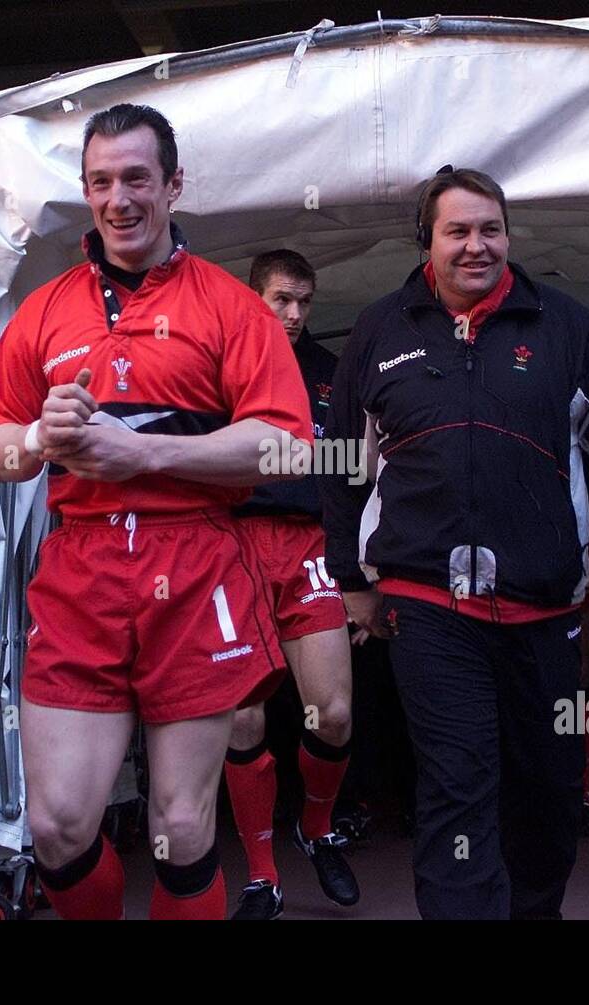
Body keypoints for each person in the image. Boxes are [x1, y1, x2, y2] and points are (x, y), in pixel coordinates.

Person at [320, 167, 589, 919]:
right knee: (459, 783)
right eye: (457, 231)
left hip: (544, 611)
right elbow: (340, 467)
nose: (476, 246)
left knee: (548, 797)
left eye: (490, 229)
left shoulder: (563, 325)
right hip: (429, 605)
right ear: (426, 240)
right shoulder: (381, 330)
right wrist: (349, 580)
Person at [0, 104, 312, 920]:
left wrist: (149, 455)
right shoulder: (47, 310)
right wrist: (38, 437)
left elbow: (287, 448)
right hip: (81, 568)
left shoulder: (233, 308)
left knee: (182, 825)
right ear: (86, 192)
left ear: (172, 185)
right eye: (101, 182)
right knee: (56, 827)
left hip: (194, 567)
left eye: (136, 179)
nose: (118, 198)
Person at [225, 249, 358, 919]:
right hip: (235, 546)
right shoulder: (218, 361)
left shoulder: (332, 375)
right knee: (242, 715)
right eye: (282, 299)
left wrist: (363, 572)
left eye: (305, 300)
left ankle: (316, 827)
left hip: (310, 543)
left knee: (332, 711)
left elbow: (356, 477)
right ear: (255, 297)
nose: (296, 313)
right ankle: (261, 876)